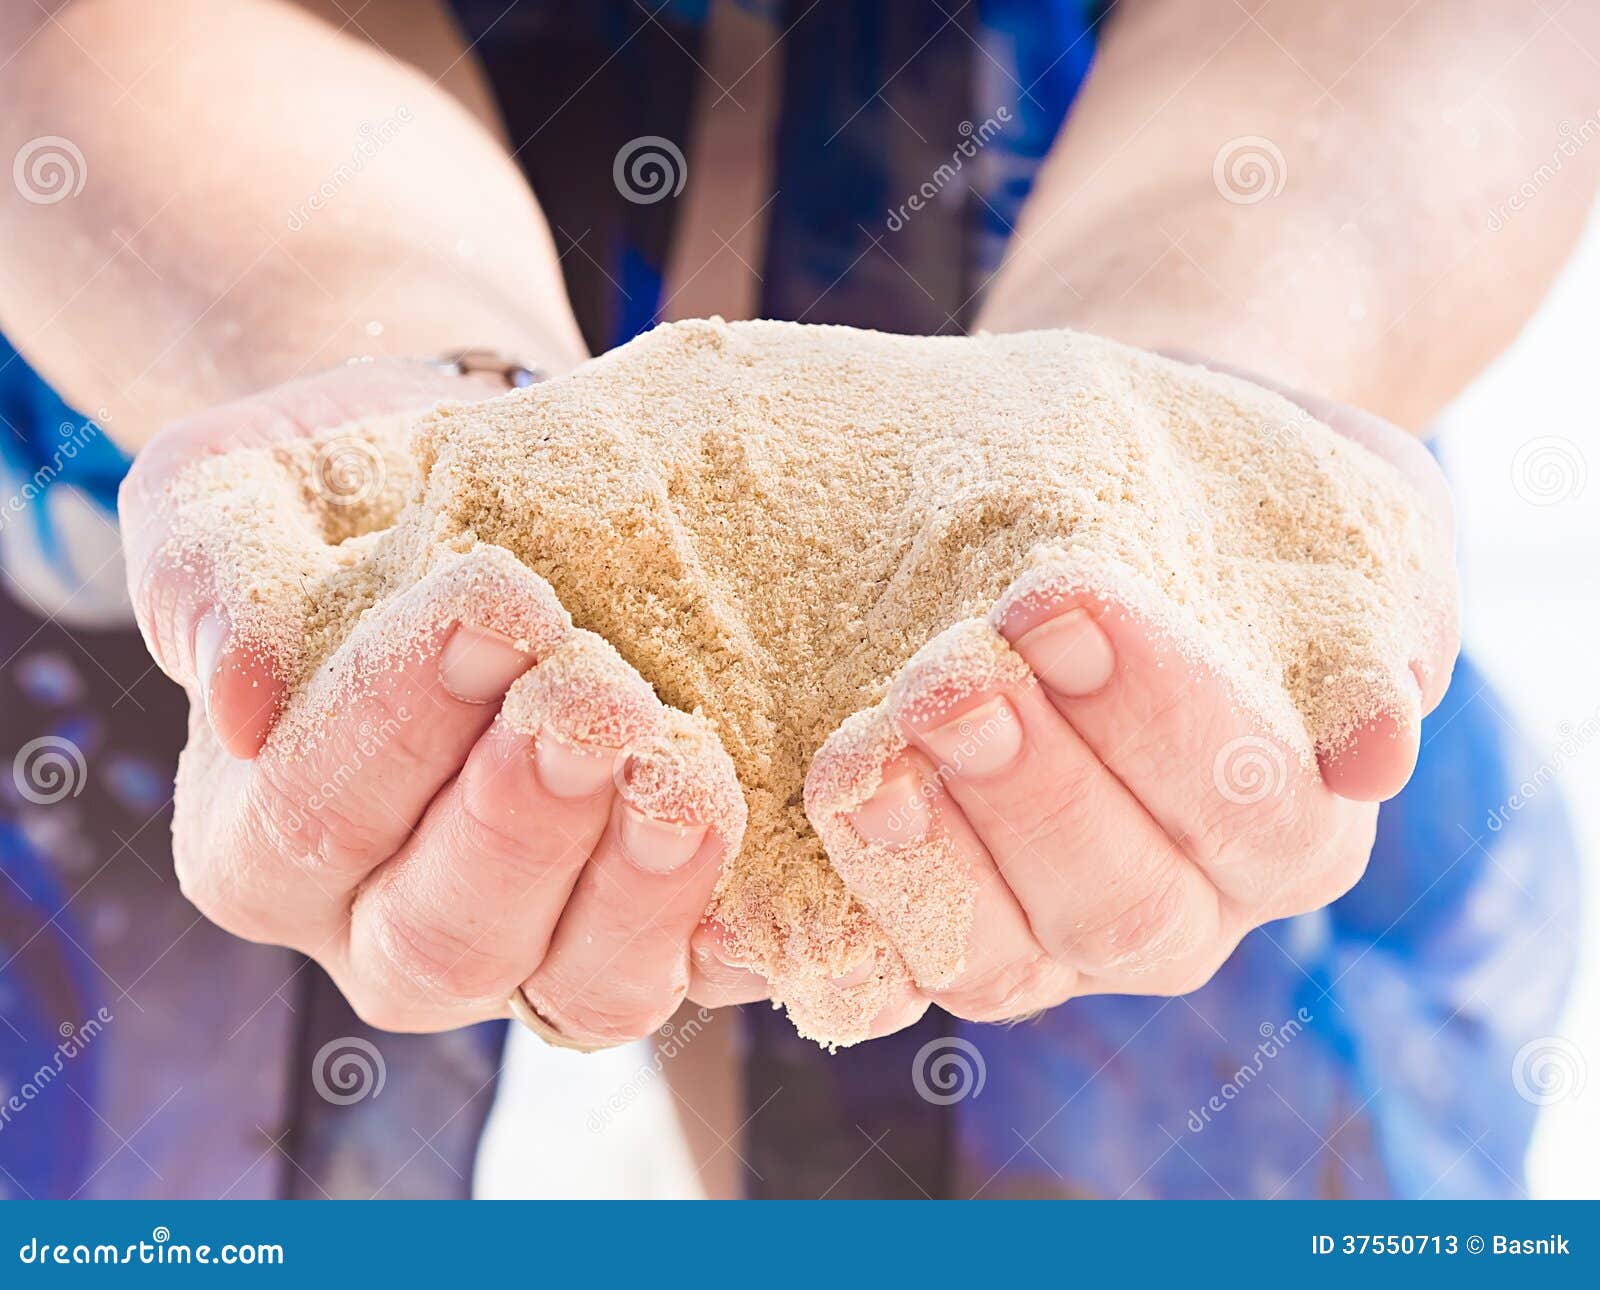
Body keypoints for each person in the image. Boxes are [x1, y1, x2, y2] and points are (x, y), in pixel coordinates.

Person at [0, 0, 1591, 1199]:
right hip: (192, 188)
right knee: (165, 1092)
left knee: (1133, 1077)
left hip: (1139, 162)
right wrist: (366, 352)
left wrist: (1214, 367)